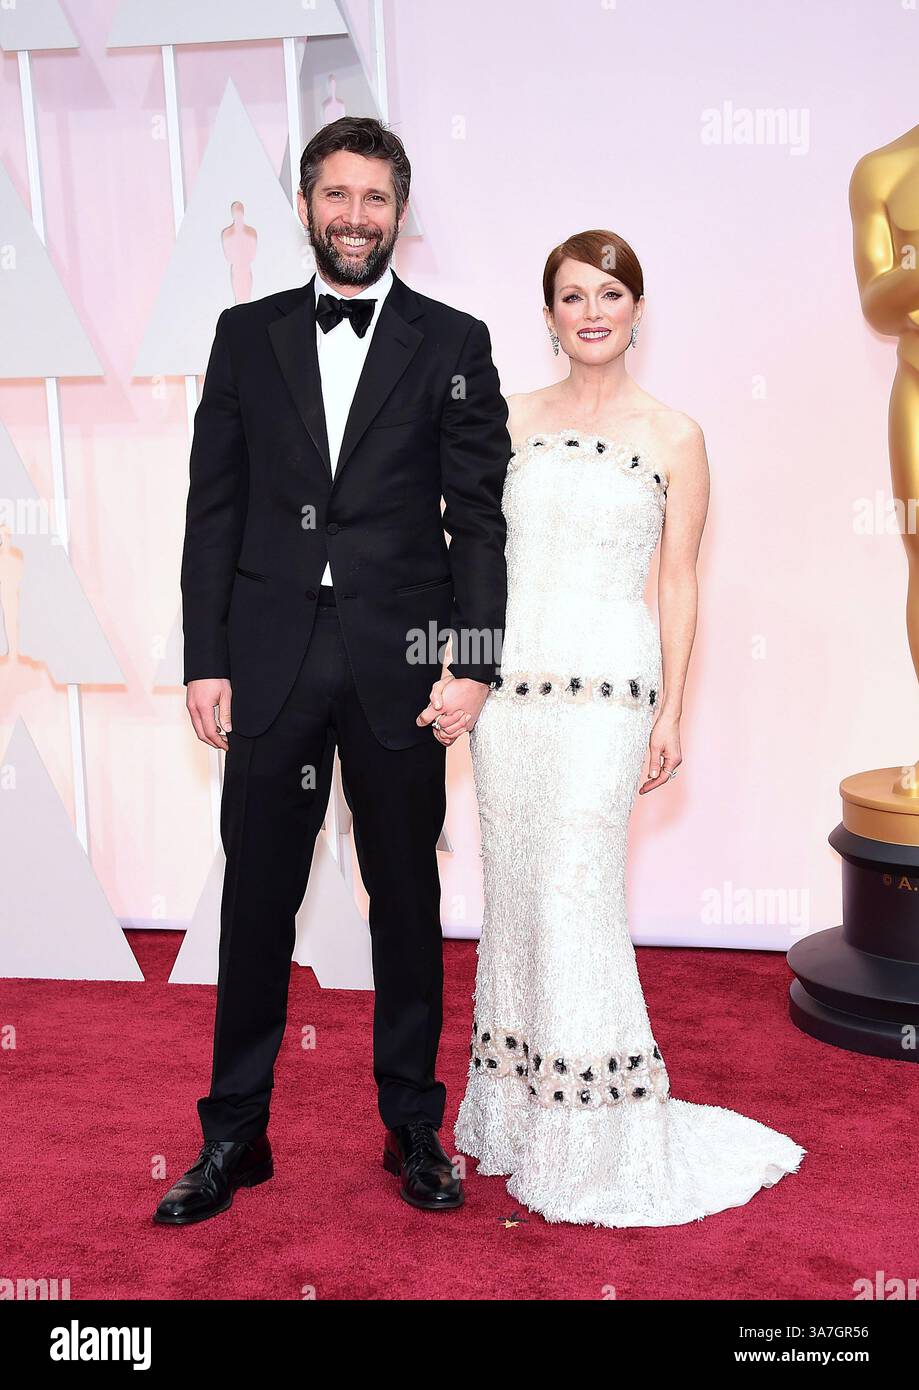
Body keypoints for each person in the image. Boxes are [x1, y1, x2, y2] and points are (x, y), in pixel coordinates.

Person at [153, 116, 509, 1226]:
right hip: (268, 659)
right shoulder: (244, 333)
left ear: (400, 213)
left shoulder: (453, 343)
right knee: (254, 906)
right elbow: (211, 510)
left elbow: (480, 523)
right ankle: (232, 1140)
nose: (355, 216)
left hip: (401, 665)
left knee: (405, 901)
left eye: (375, 199)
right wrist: (204, 659)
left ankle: (414, 1130)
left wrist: (475, 665)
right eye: (336, 196)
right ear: (304, 206)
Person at [429, 229, 806, 1226]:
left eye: (608, 293)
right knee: (513, 891)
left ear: (636, 308)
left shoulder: (674, 433)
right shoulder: (504, 421)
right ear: (547, 315)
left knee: (575, 890)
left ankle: (598, 1131)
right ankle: (514, 1114)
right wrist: (463, 666)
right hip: (510, 700)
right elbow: (475, 563)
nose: (591, 311)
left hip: (608, 694)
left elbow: (676, 580)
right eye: (570, 296)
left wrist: (673, 705)